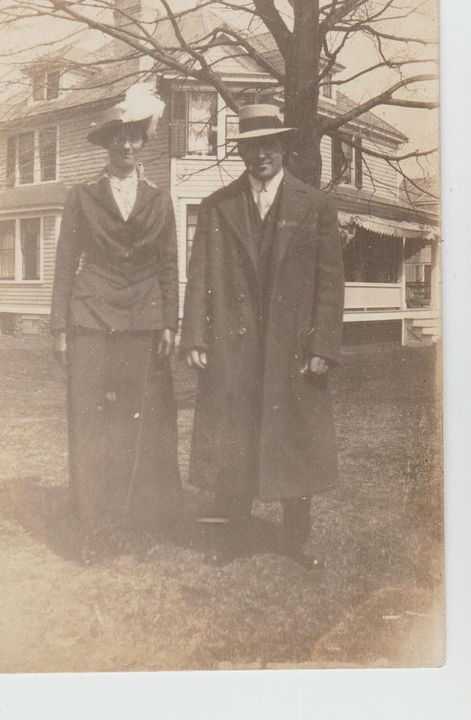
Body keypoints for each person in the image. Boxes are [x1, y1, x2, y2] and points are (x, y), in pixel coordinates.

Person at [181, 104, 344, 569]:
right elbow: (199, 275)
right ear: (241, 153)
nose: (261, 155)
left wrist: (322, 346)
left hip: (294, 350)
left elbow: (330, 284)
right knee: (231, 442)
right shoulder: (217, 206)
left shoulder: (316, 205)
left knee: (295, 441)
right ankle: (228, 538)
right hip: (233, 349)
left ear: (283, 147)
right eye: (251, 147)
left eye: (268, 145)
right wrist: (195, 336)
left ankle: (297, 540)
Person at [50, 84, 182, 559]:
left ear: (143, 142)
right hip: (90, 316)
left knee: (143, 419)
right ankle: (89, 518)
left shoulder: (159, 199)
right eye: (118, 138)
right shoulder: (82, 196)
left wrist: (169, 322)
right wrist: (60, 327)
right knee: (88, 418)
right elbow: (66, 262)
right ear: (107, 143)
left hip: (144, 319)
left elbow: (169, 264)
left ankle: (144, 515)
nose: (126, 146)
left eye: (134, 137)